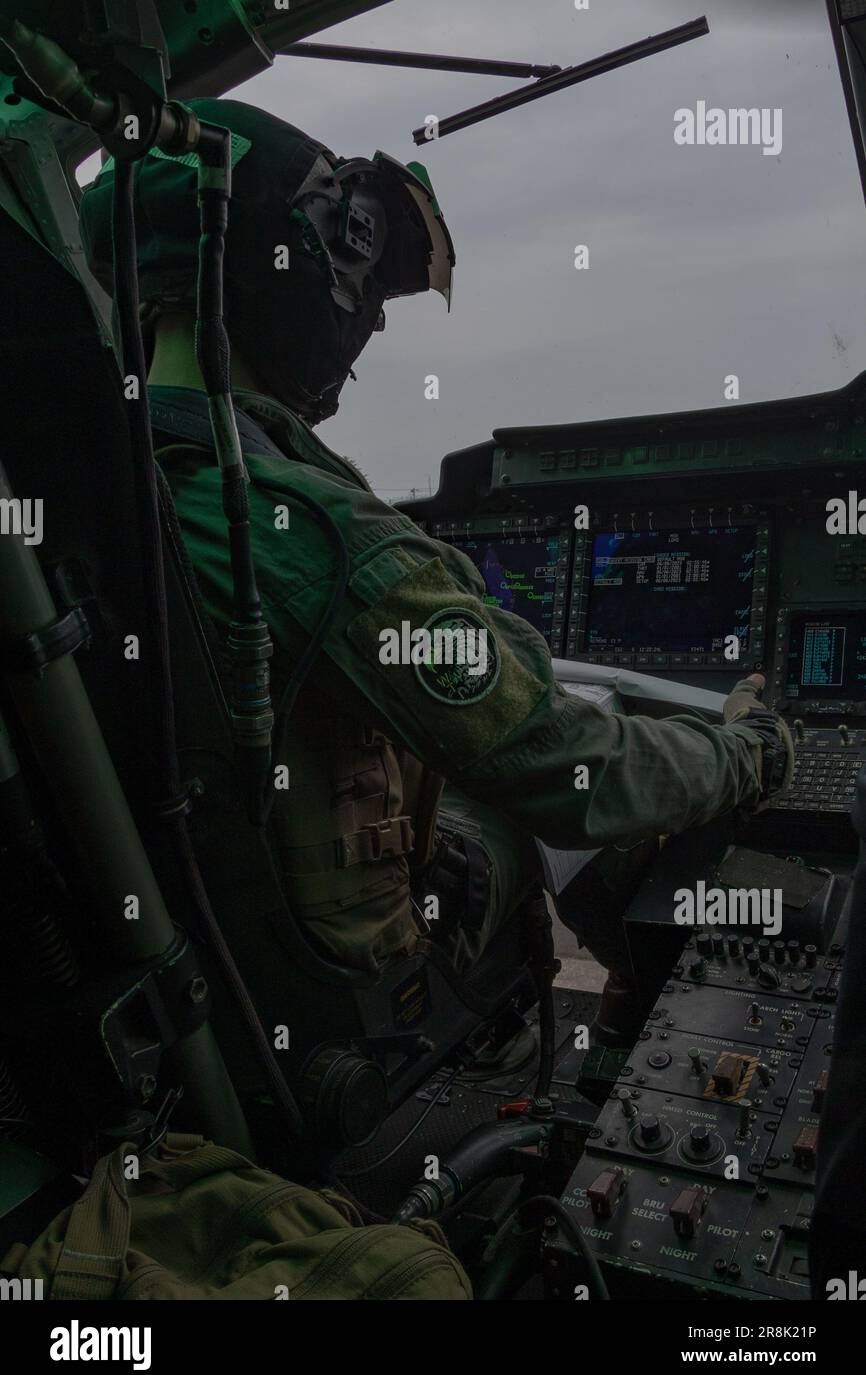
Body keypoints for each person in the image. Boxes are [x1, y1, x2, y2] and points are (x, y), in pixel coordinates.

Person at [79, 98, 792, 1038]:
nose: (367, 329)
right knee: (539, 794)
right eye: (361, 292)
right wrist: (751, 750)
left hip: (158, 985)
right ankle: (595, 1041)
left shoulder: (85, 499)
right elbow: (575, 771)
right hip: (325, 1005)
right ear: (293, 275)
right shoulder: (320, 535)